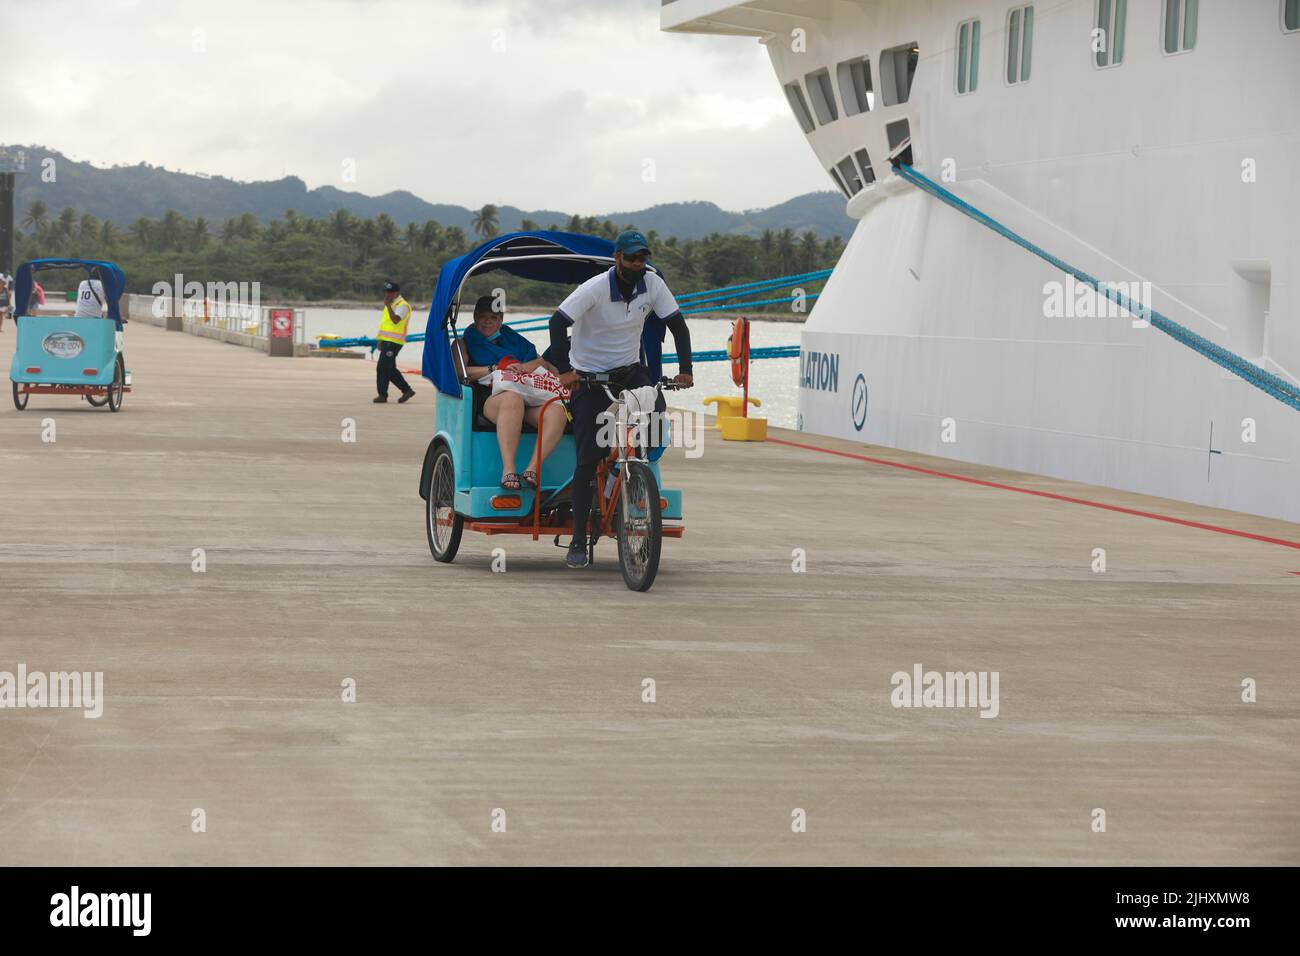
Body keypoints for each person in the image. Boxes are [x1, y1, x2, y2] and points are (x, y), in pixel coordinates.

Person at [548, 230, 693, 568]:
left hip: (629, 371)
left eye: (643, 258)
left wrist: (685, 369)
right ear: (618, 259)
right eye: (632, 258)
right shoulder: (595, 288)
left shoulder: (653, 284)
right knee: (587, 460)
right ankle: (579, 541)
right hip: (589, 378)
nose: (638, 264)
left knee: (657, 420)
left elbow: (678, 326)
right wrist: (567, 372)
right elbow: (557, 322)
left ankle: (624, 474)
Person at [459, 295, 568, 491]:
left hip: (527, 393)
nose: (487, 322)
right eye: (483, 316)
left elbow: (541, 362)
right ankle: (508, 469)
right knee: (512, 398)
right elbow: (461, 372)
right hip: (492, 396)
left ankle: (532, 469)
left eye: (493, 317)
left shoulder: (513, 339)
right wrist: (495, 369)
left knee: (556, 411)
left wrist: (522, 368)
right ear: (475, 317)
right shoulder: (463, 343)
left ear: (501, 319)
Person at [373, 280, 416, 403]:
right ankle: (407, 390)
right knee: (389, 368)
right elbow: (385, 325)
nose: (387, 294)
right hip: (387, 341)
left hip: (394, 342)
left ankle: (382, 395)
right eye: (386, 292)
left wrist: (387, 305)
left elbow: (395, 320)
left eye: (390, 292)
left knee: (383, 367)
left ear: (396, 292)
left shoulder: (402, 305)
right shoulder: (392, 304)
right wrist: (380, 340)